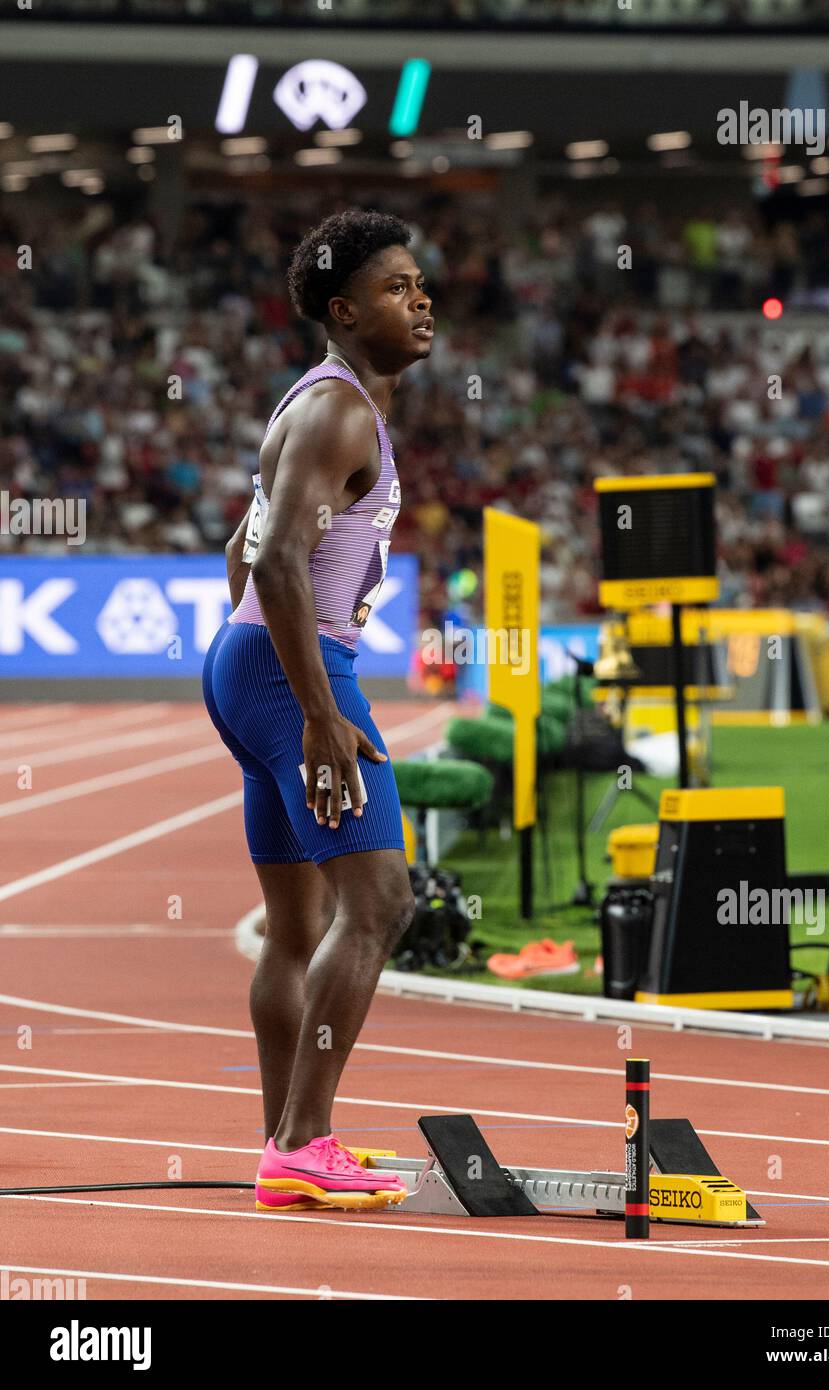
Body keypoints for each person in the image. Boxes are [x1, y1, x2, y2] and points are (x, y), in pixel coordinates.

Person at [202, 209, 435, 1212]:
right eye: (395, 288)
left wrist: (262, 668)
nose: (420, 299)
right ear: (343, 312)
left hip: (252, 660)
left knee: (296, 928)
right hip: (290, 671)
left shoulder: (331, 406)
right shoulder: (338, 410)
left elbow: (239, 554)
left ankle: (284, 1141)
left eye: (421, 283)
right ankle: (303, 1138)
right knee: (380, 898)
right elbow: (275, 558)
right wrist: (314, 710)